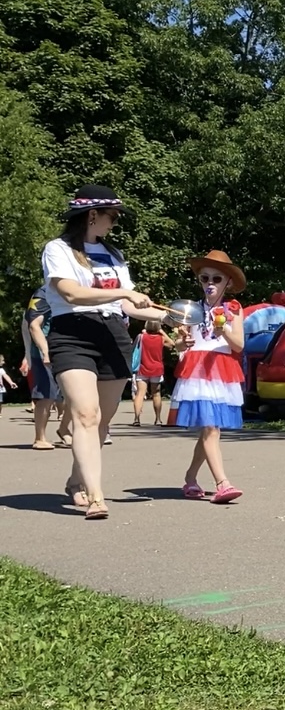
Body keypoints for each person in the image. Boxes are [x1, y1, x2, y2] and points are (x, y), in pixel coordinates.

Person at [42, 184, 172, 520]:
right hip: (73, 332)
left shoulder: (113, 255)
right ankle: (96, 496)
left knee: (102, 420)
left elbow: (133, 307)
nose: (114, 222)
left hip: (113, 334)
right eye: (112, 216)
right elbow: (70, 293)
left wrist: (171, 318)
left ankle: (76, 480)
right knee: (86, 415)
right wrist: (124, 294)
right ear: (92, 215)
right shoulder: (58, 250)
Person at [170, 251, 248, 502]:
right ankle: (222, 483)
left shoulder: (234, 309)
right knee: (210, 428)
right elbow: (179, 346)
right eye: (204, 278)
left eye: (216, 278)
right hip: (197, 371)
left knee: (211, 430)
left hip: (223, 370)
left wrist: (222, 328)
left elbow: (238, 345)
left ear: (228, 282)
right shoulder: (190, 310)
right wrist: (182, 342)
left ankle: (191, 477)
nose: (210, 283)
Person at [20, 288, 62, 449]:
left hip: (63, 348)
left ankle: (65, 430)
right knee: (46, 393)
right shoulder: (43, 294)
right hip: (43, 351)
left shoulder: (70, 291)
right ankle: (40, 438)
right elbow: (33, 325)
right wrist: (44, 351)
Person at [130, 320, 171, 426]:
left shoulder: (141, 337)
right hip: (157, 369)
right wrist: (161, 331)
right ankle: (158, 419)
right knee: (156, 394)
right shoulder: (161, 338)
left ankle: (137, 418)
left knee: (140, 393)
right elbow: (172, 344)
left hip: (142, 368)